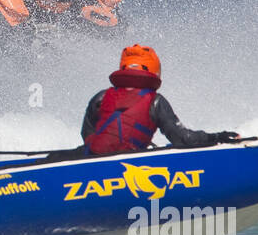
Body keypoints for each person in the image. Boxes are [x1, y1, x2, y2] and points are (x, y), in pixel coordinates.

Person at [81, 45, 240, 156]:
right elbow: (183, 139)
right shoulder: (155, 101)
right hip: (126, 166)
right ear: (153, 69)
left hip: (92, 160)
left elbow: (87, 134)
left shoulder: (101, 97)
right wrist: (217, 137)